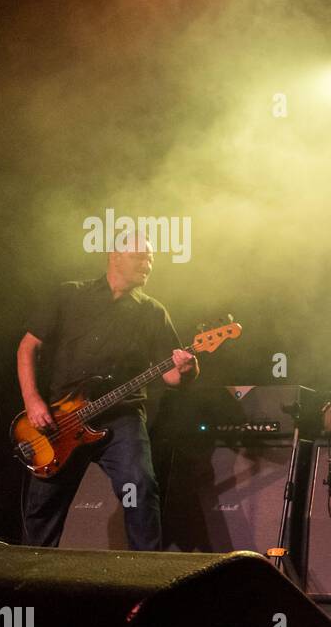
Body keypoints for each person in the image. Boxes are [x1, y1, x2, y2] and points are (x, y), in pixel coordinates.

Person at [17, 232, 198, 549]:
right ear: (115, 256)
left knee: (140, 485)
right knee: (43, 505)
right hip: (62, 417)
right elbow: (27, 348)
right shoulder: (70, 295)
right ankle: (33, 579)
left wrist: (188, 368)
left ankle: (147, 576)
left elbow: (171, 377)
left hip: (121, 418)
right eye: (141, 257)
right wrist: (33, 401)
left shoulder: (152, 312)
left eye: (152, 259)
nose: (148, 264)